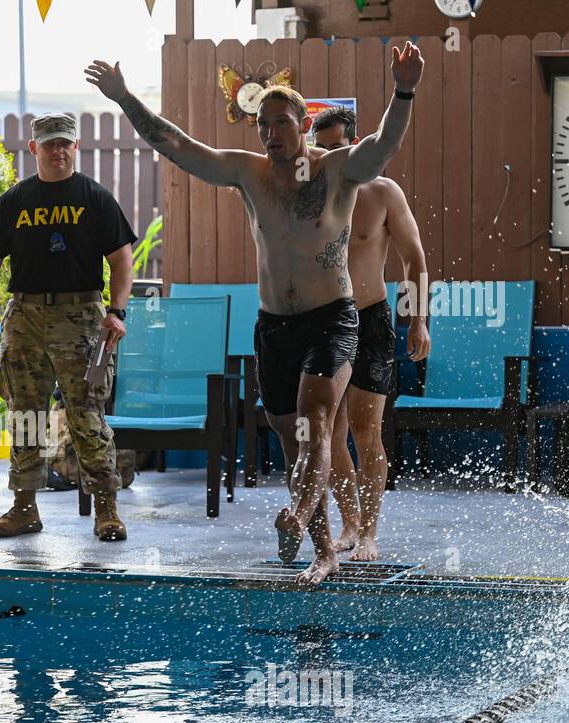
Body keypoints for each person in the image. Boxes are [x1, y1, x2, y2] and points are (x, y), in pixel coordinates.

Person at [88, 42, 424, 586]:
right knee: (293, 440)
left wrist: (403, 90)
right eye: (263, 124)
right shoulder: (248, 174)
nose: (272, 133)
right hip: (274, 326)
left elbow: (384, 143)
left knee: (319, 419)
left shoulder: (338, 171)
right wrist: (125, 97)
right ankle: (323, 549)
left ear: (302, 123)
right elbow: (175, 144)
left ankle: (299, 513)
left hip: (333, 318)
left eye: (282, 122)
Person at [0, 113, 136, 542]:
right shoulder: (15, 200)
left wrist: (117, 311)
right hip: (24, 316)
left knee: (86, 415)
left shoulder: (95, 198)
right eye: (48, 144)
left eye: (64, 143)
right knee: (24, 413)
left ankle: (107, 510)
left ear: (75, 147)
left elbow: (120, 258)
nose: (57, 151)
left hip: (80, 317)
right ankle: (24, 507)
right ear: (33, 149)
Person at [312, 107, 431, 562]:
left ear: (357, 145)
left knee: (366, 427)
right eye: (321, 148)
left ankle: (370, 531)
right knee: (328, 430)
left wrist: (418, 320)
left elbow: (414, 258)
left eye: (337, 145)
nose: (329, 155)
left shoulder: (382, 193)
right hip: (324, 322)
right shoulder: (309, 195)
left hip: (372, 319)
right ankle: (349, 521)